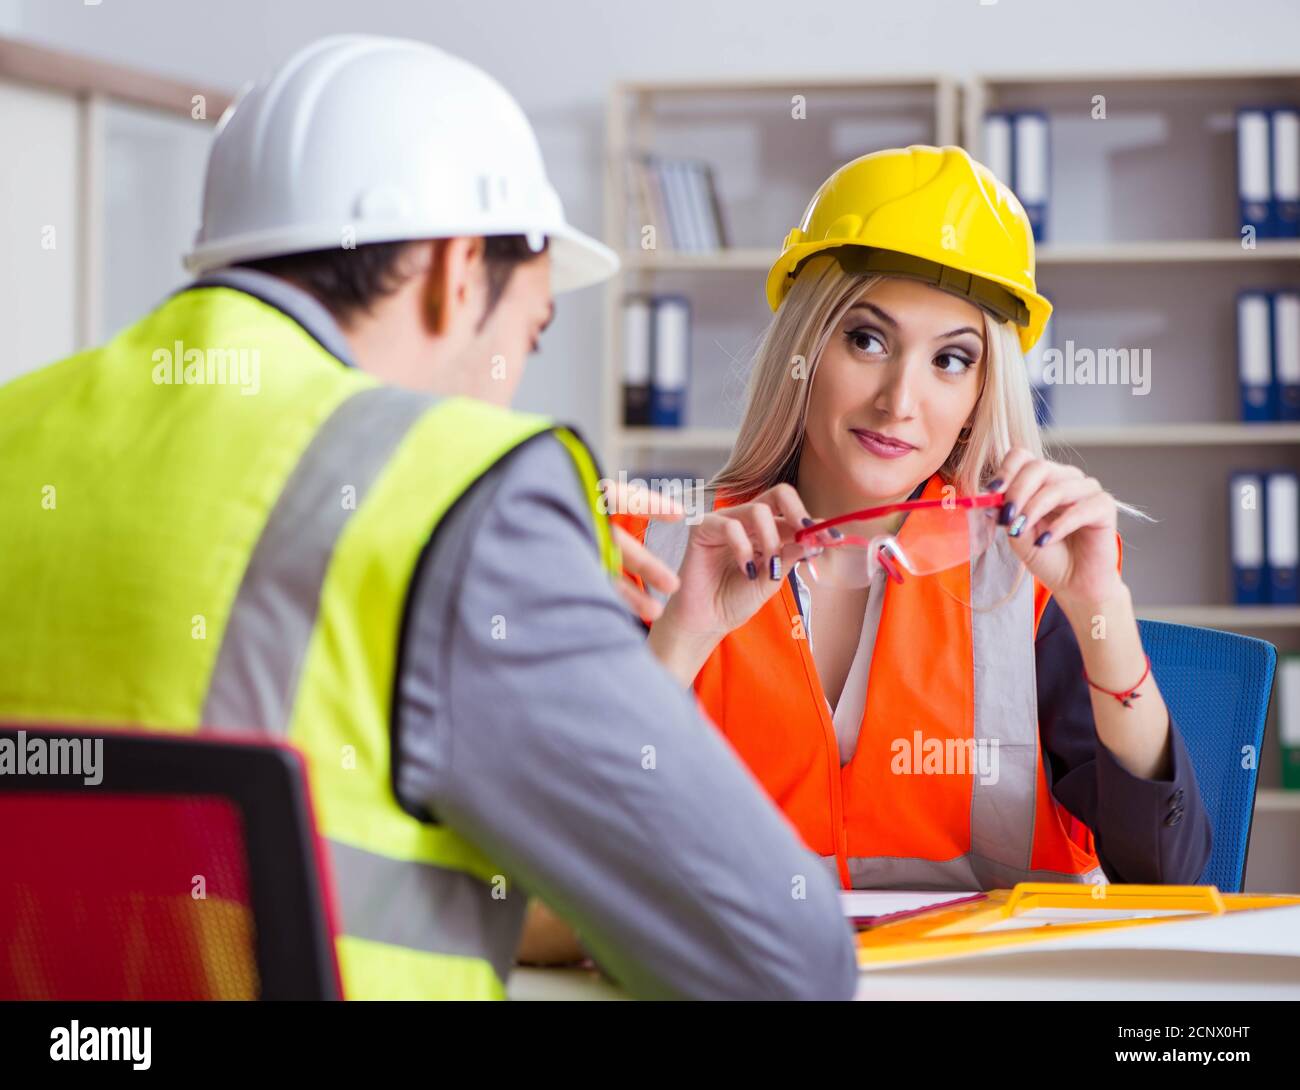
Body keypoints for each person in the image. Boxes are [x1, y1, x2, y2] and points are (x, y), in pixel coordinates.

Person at [0, 35, 855, 1000]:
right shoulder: (459, 493)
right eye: (529, 333)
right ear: (456, 273)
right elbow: (784, 963)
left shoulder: (21, 429)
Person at [618, 145, 1212, 892]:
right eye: (867, 340)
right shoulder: (661, 557)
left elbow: (1167, 874)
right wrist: (684, 637)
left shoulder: (1027, 578)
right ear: (803, 350)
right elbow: (563, 848)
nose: (900, 400)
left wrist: (1101, 612)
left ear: (978, 397)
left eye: (951, 360)